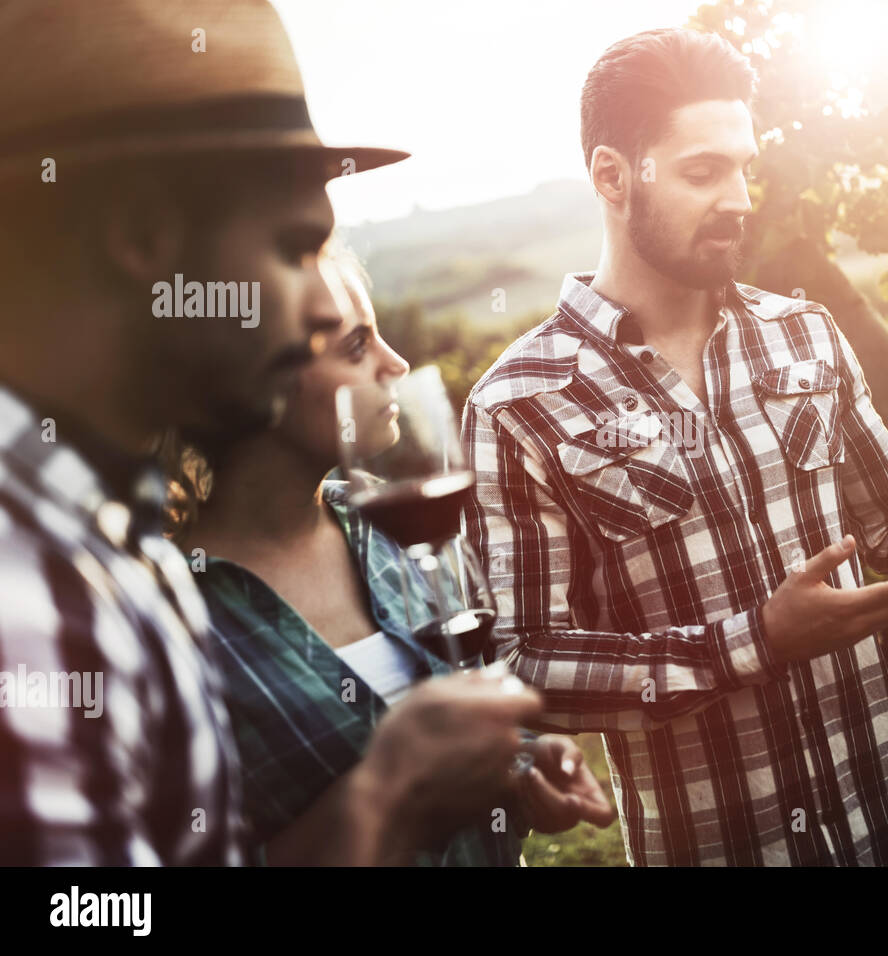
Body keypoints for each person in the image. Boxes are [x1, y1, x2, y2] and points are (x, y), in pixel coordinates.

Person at [461, 27, 888, 866]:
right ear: (613, 176)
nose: (739, 198)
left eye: (745, 167)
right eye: (702, 172)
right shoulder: (519, 404)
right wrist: (754, 640)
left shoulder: (804, 337)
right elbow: (523, 661)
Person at [0, 0, 539, 865]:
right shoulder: (29, 598)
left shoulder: (117, 549)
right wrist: (388, 793)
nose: (324, 303)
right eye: (295, 249)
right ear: (142, 234)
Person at [165, 243, 615, 864]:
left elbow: (469, 709)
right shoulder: (168, 613)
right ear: (247, 383)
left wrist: (520, 764)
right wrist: (386, 787)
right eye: (356, 346)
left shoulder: (390, 526)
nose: (396, 364)